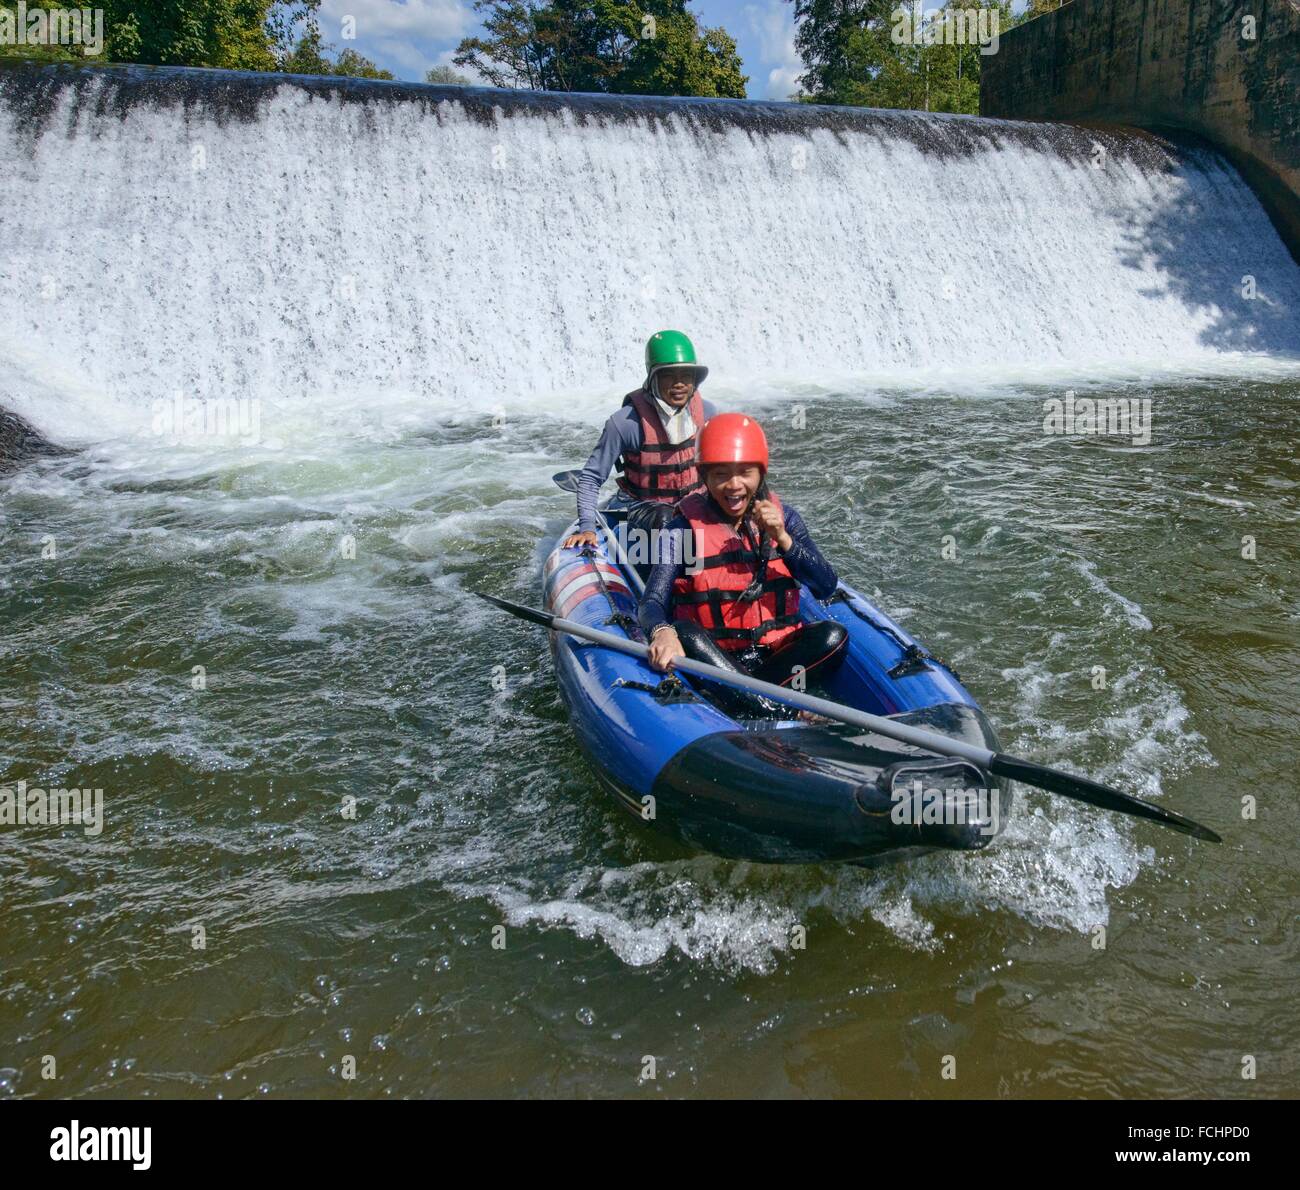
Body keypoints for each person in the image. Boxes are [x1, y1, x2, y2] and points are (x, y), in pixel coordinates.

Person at [638, 412, 848, 717]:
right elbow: (652, 600)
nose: (733, 485)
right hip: (714, 659)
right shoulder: (682, 530)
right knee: (684, 631)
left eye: (744, 473)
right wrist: (661, 631)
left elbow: (826, 585)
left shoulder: (785, 518)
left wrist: (783, 539)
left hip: (774, 660)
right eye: (720, 474)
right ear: (705, 476)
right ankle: (782, 712)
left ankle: (739, 701)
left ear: (760, 473)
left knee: (833, 635)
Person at [561, 330, 716, 553]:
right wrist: (587, 528)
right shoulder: (625, 422)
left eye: (686, 375)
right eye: (669, 376)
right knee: (667, 520)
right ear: (653, 377)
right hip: (643, 506)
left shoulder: (708, 413)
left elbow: (725, 468)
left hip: (693, 502)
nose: (679, 383)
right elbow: (591, 478)